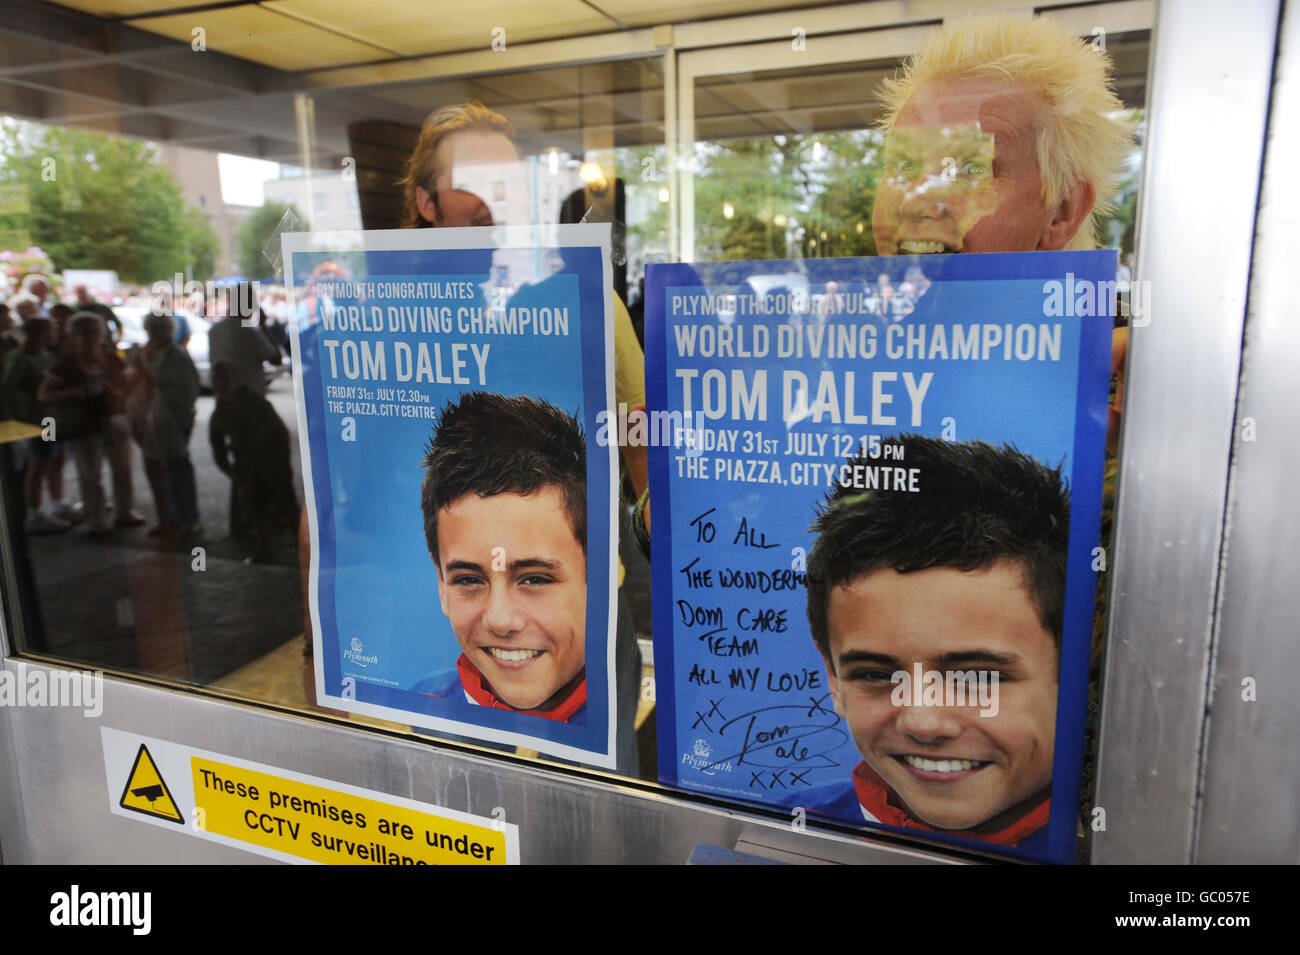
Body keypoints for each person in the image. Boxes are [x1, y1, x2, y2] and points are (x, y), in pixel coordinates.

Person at [800, 435, 1067, 851]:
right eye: (874, 674)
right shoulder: (775, 826)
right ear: (833, 679)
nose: (923, 722)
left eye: (977, 677)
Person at [413, 391, 588, 721]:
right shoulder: (421, 707)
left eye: (535, 579)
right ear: (441, 586)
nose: (500, 620)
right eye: (468, 579)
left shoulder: (630, 723)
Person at [208, 361, 297, 562]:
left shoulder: (255, 404)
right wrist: (230, 471)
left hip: (271, 464)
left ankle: (303, 545)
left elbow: (279, 435)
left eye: (223, 379)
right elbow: (217, 444)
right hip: (248, 467)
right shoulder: (222, 409)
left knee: (286, 506)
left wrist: (280, 462)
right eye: (216, 379)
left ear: (235, 380)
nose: (219, 384)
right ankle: (264, 548)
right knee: (255, 511)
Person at [37, 313, 114, 534]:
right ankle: (96, 518)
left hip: (108, 420)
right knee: (90, 473)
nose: (90, 337)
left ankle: (107, 510)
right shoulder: (67, 364)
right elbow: (43, 394)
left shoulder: (106, 358)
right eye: (84, 332)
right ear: (75, 336)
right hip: (83, 425)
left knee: (114, 469)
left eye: (94, 331)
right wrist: (74, 392)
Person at [2, 317, 68, 534]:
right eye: (50, 331)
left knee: (55, 458)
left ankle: (58, 505)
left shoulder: (45, 356)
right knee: (39, 463)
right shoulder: (20, 359)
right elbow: (9, 390)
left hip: (49, 418)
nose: (54, 335)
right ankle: (34, 513)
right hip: (35, 420)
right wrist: (16, 418)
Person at [144, 311, 201, 537]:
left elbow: (186, 390)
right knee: (167, 469)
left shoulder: (175, 354)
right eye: (152, 329)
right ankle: (174, 518)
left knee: (178, 468)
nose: (156, 333)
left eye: (160, 329)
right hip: (159, 419)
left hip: (175, 419)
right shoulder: (154, 353)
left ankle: (187, 518)